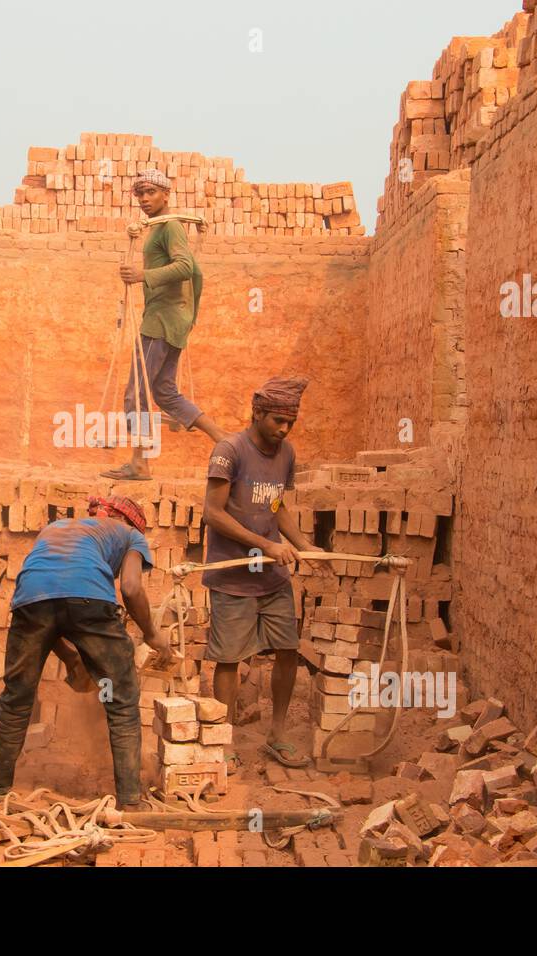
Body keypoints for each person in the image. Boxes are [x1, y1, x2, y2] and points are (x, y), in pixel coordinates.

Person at [0, 495, 171, 807]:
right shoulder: (131, 534)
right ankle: (131, 801)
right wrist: (152, 634)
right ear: (130, 522)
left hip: (31, 597)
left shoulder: (56, 528)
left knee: (17, 696)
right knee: (121, 701)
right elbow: (132, 588)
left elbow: (51, 605)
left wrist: (70, 657)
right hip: (90, 597)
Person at [201, 377, 313, 771]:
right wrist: (265, 546)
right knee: (229, 658)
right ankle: (224, 740)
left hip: (272, 578)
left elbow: (277, 505)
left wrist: (303, 543)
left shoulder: (286, 454)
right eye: (277, 421)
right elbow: (212, 513)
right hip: (233, 577)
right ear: (257, 413)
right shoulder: (229, 451)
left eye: (290, 423)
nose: (283, 430)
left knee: (288, 651)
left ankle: (277, 735)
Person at [102, 169, 225, 480]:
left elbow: (185, 266)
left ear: (166, 195)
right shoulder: (157, 228)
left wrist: (143, 275)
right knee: (165, 392)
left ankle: (140, 463)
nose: (145, 199)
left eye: (151, 192)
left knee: (137, 393)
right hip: (167, 318)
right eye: (140, 193)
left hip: (162, 321)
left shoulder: (170, 227)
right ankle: (228, 442)